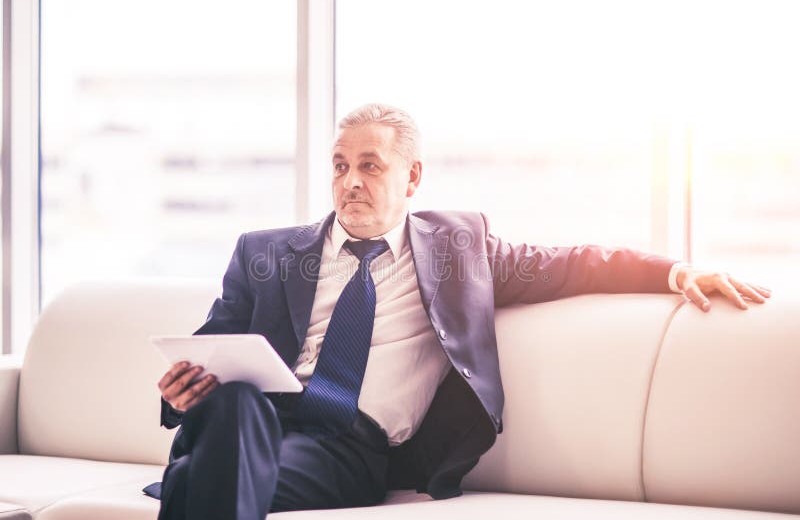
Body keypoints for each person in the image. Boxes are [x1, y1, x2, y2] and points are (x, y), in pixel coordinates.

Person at [143, 104, 770, 520]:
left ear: (412, 176)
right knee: (237, 404)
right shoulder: (267, 253)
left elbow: (575, 262)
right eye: (340, 166)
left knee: (202, 482)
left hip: (345, 449)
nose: (350, 182)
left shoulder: (458, 251)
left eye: (370, 166)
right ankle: (203, 472)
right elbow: (213, 347)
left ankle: (193, 481)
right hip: (251, 418)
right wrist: (181, 390)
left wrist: (675, 272)